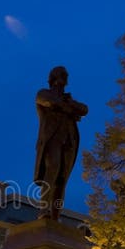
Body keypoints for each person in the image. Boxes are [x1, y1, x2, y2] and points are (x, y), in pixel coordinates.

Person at [33, 66, 88, 219]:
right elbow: (49, 102)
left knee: (62, 179)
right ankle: (43, 210)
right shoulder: (44, 93)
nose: (65, 78)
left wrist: (69, 105)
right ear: (54, 78)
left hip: (69, 141)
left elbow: (84, 109)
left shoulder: (68, 99)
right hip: (52, 140)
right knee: (52, 169)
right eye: (62, 75)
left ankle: (55, 215)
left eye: (66, 75)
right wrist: (68, 107)